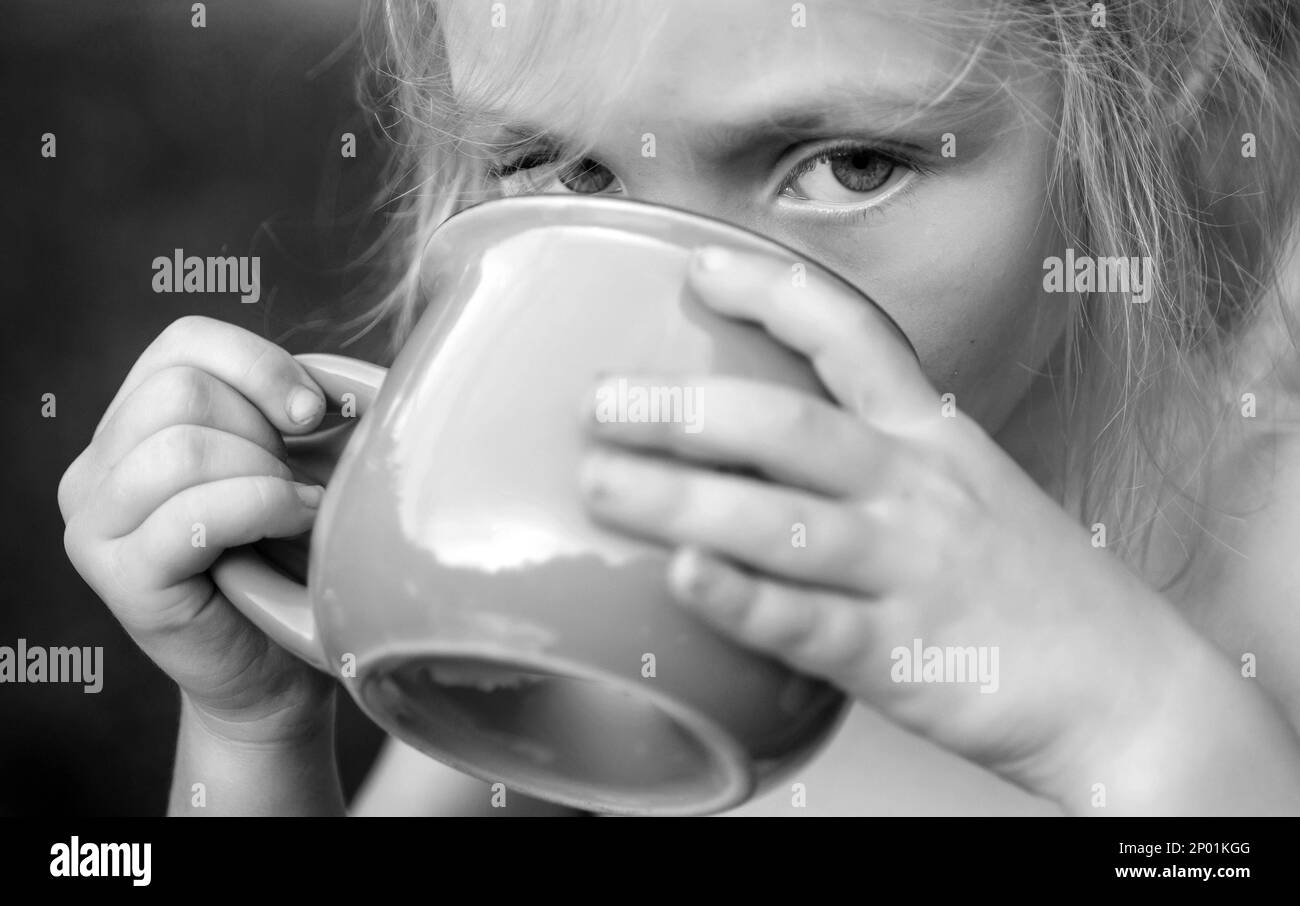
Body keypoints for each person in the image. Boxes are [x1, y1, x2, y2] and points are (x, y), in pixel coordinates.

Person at [59, 0, 1300, 815]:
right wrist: (254, 734)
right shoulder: (577, 618)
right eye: (559, 169)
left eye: (848, 165)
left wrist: (1144, 728)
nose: (695, 314)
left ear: (1171, 131)